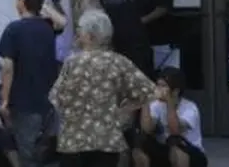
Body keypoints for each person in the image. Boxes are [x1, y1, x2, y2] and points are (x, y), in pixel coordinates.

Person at [49, 10, 156, 167]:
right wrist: (123, 110)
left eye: (80, 30)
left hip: (75, 139)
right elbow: (148, 92)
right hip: (107, 139)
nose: (78, 34)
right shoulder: (119, 62)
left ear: (90, 36)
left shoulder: (73, 62)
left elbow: (56, 98)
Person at [0, 0, 58, 167]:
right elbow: (62, 22)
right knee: (47, 156)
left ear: (22, 1)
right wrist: (44, 5)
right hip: (49, 104)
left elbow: (7, 68)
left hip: (24, 104)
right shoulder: (48, 28)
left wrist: (4, 100)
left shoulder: (13, 30)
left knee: (28, 156)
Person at [99, 0, 165, 79]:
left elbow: (161, 8)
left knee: (140, 76)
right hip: (115, 43)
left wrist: (143, 20)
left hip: (137, 43)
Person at [134, 67, 206, 167]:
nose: (158, 89)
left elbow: (175, 130)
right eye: (158, 85)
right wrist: (145, 102)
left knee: (175, 141)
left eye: (163, 86)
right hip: (166, 150)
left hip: (192, 154)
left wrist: (169, 101)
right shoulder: (156, 105)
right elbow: (146, 129)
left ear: (175, 91)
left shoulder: (190, 108)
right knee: (140, 140)